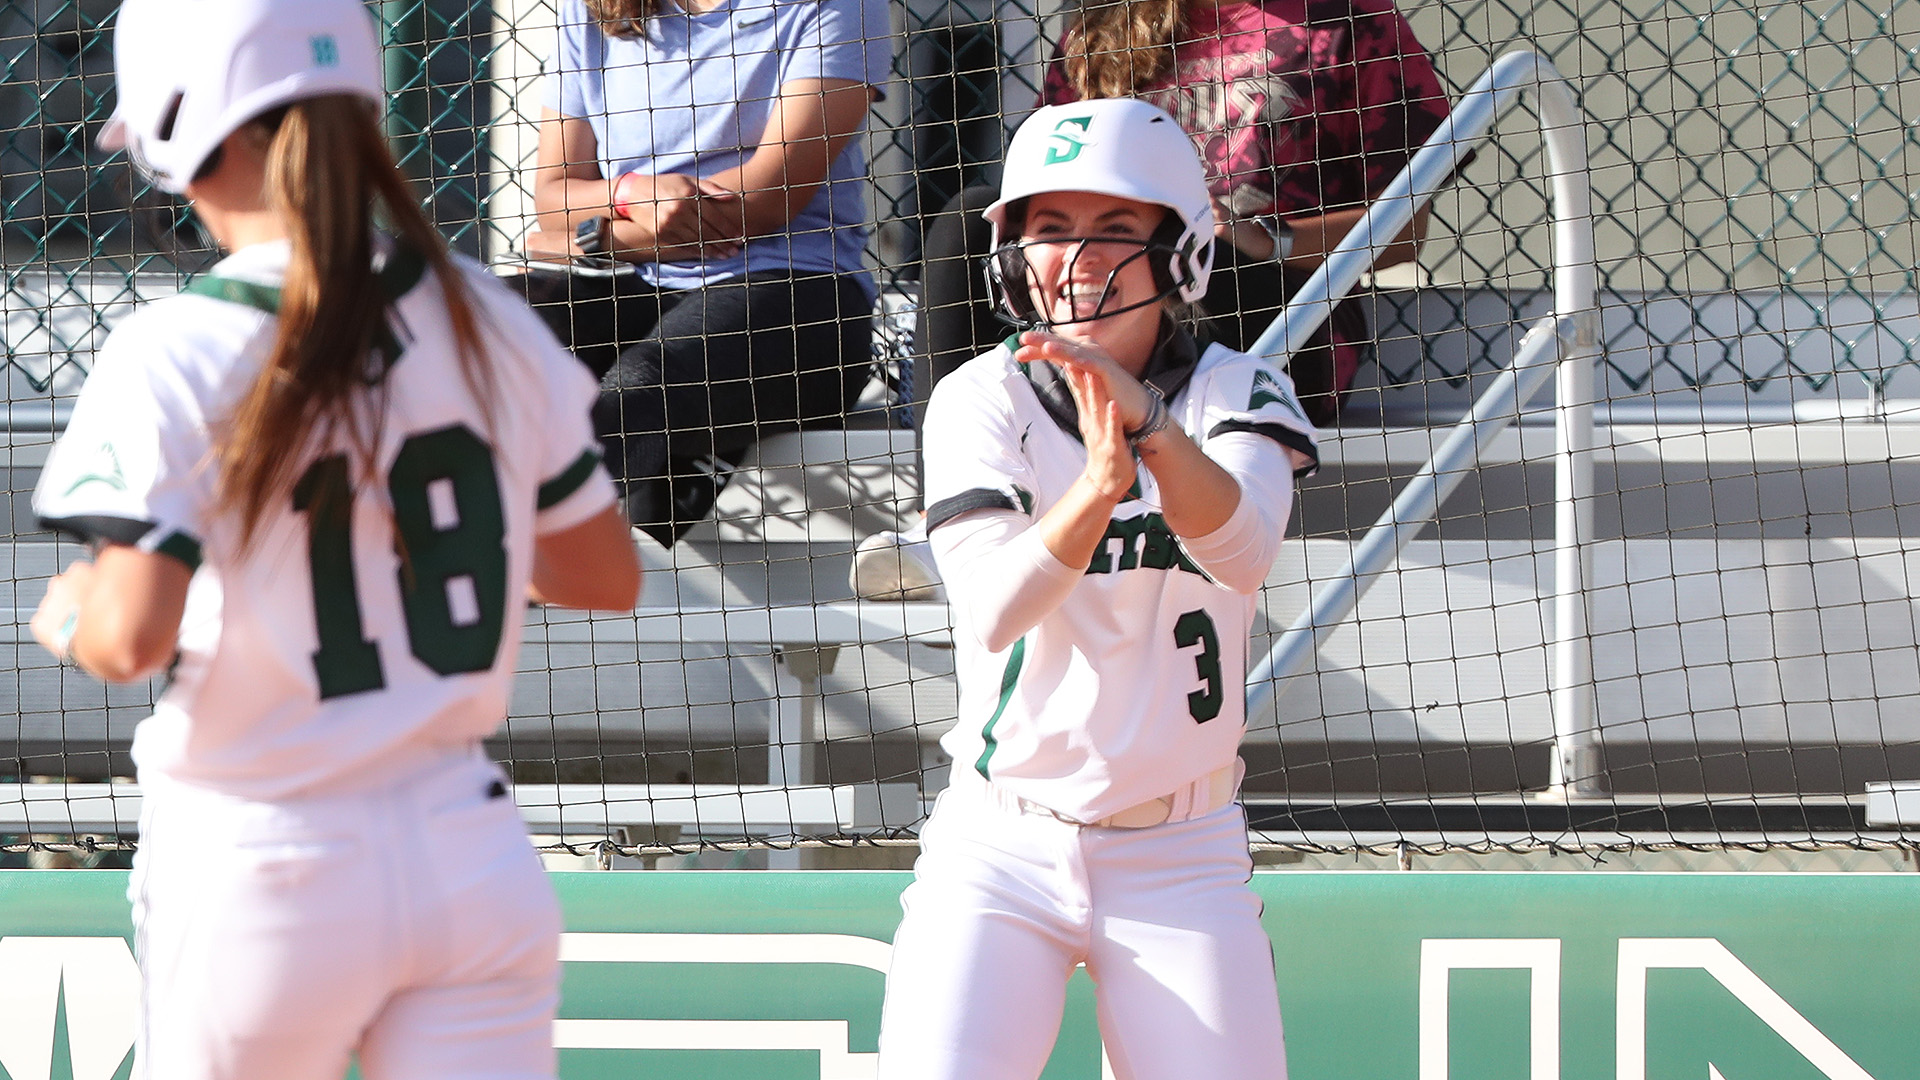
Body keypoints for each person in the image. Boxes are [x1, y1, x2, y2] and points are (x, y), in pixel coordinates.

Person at [28, 0, 640, 1076]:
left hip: (261, 858)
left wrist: (71, 607)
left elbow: (127, 640)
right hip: (465, 851)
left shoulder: (177, 344)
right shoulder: (482, 314)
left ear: (185, 130)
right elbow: (602, 574)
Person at [875, 98, 1319, 1079]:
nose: (1077, 258)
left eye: (1116, 231)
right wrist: (1096, 491)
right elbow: (994, 607)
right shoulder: (978, 398)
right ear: (1010, 256)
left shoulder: (1237, 390)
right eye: (1049, 229)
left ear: (1182, 255)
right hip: (1000, 844)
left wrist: (1150, 427)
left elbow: (1242, 552)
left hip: (1182, 853)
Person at [916, 0, 1453, 428]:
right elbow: (1040, 195)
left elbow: (1407, 233)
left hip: (1276, 317)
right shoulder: (1102, 27)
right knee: (969, 220)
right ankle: (933, 511)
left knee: (1197, 249)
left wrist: (1264, 239)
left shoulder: (1348, 18)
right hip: (1100, 298)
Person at [522, 0, 892, 546]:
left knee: (641, 385)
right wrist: (633, 193)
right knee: (487, 337)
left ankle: (530, 565)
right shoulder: (592, 10)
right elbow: (553, 198)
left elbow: (765, 199)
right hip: (631, 284)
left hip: (794, 295)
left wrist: (593, 239)